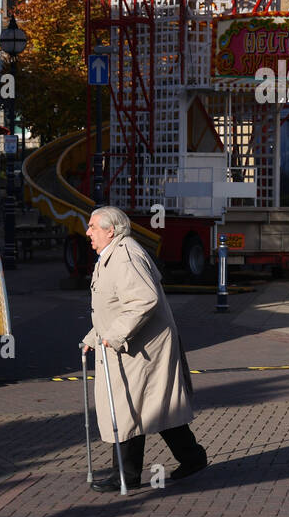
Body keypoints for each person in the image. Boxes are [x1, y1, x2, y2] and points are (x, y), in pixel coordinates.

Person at [82, 205, 207, 492]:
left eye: (92, 226)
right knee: (151, 405)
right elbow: (112, 306)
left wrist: (113, 335)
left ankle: (125, 475)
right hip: (136, 345)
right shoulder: (113, 254)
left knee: (127, 407)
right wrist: (94, 335)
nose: (88, 232)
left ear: (110, 230)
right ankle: (193, 457)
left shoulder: (124, 256)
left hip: (141, 348)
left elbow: (143, 300)